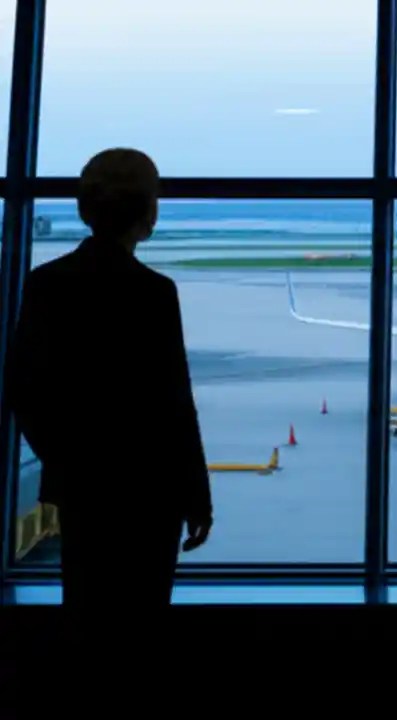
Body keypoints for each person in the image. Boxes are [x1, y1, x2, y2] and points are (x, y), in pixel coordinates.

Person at [4, 147, 212, 608]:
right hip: (149, 494)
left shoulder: (45, 284)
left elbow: (24, 388)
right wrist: (197, 495)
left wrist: (66, 462)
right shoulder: (154, 294)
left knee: (87, 607)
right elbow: (175, 404)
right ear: (146, 213)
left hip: (83, 492)